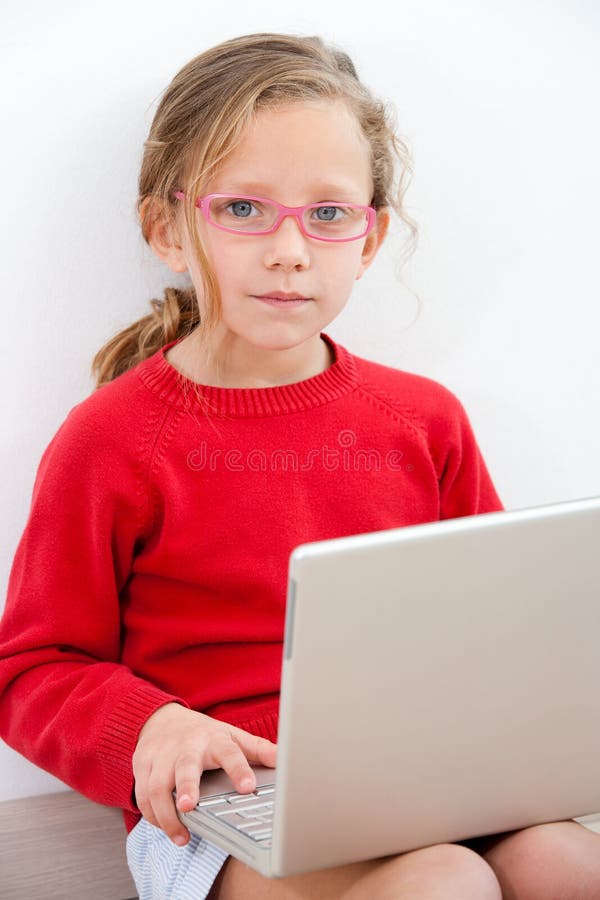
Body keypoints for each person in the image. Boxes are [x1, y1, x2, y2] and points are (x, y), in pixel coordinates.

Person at [1, 31, 599, 900]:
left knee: (564, 862)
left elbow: (488, 627)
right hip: (218, 807)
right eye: (244, 209)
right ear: (168, 227)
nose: (289, 250)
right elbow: (33, 665)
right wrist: (152, 726)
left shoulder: (424, 421)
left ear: (369, 237)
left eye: (327, 214)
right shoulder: (113, 439)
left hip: (412, 774)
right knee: (443, 883)